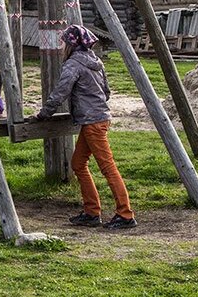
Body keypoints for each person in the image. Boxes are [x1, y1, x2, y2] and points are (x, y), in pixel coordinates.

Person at [35, 24, 137, 230]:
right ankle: (91, 212)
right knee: (78, 164)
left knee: (108, 168)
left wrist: (43, 113)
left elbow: (60, 92)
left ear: (72, 43)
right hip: (99, 119)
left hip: (92, 123)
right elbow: (106, 92)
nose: (61, 44)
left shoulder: (73, 64)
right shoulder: (96, 62)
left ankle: (125, 214)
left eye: (63, 41)